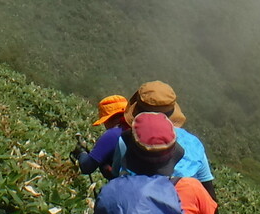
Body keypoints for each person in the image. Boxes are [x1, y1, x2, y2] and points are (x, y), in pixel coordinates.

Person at [74, 81, 217, 197]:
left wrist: (81, 154)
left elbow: (96, 170)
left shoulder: (122, 138)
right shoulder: (194, 144)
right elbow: (209, 192)